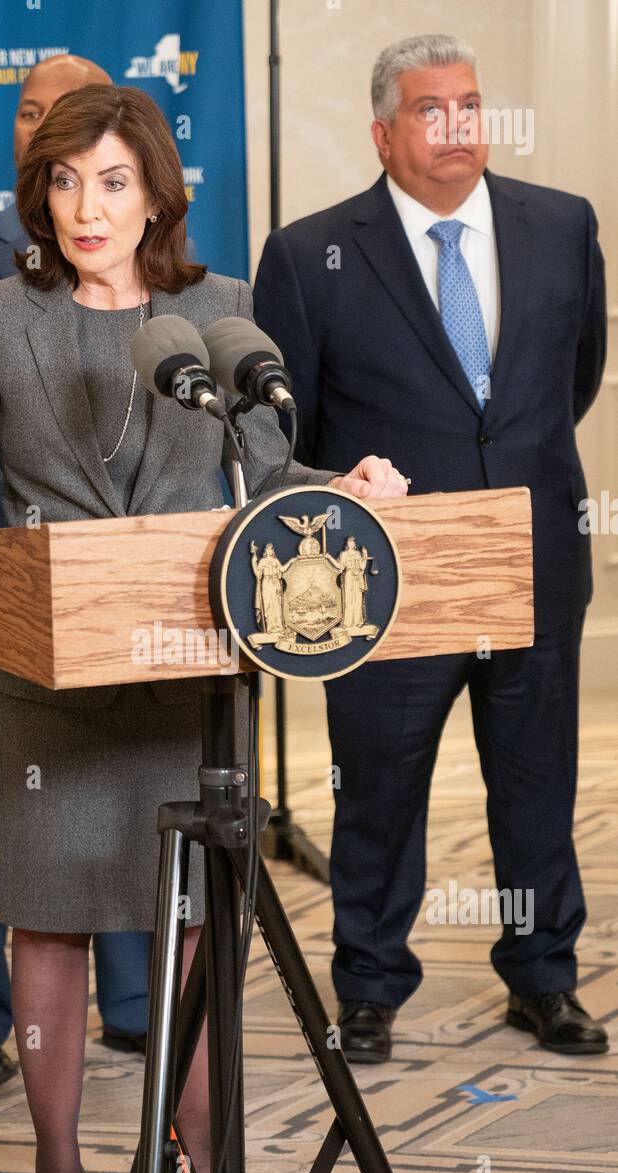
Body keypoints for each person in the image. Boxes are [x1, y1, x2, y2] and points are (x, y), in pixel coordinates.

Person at [0, 83, 406, 1173]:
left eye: (112, 182)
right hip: (51, 685)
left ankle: (198, 1155)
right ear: (41, 195)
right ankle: (57, 1165)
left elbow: (274, 478)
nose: (86, 206)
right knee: (54, 924)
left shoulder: (223, 315)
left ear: (153, 194)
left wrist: (352, 490)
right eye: (65, 182)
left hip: (191, 675)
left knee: (194, 929)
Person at [253, 33, 608, 1063]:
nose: (454, 128)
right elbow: (294, 435)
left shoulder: (561, 225)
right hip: (388, 575)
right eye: (427, 110)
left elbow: (569, 381)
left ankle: (543, 978)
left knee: (536, 782)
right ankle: (366, 986)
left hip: (533, 557)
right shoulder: (310, 253)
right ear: (381, 131)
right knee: (378, 788)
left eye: (467, 106)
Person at [0, 55, 164, 1096]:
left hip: (149, 621)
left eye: (95, 151)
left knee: (139, 806)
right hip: (8, 598)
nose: (53, 133)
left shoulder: (190, 295)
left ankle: (137, 1004)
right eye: (32, 118)